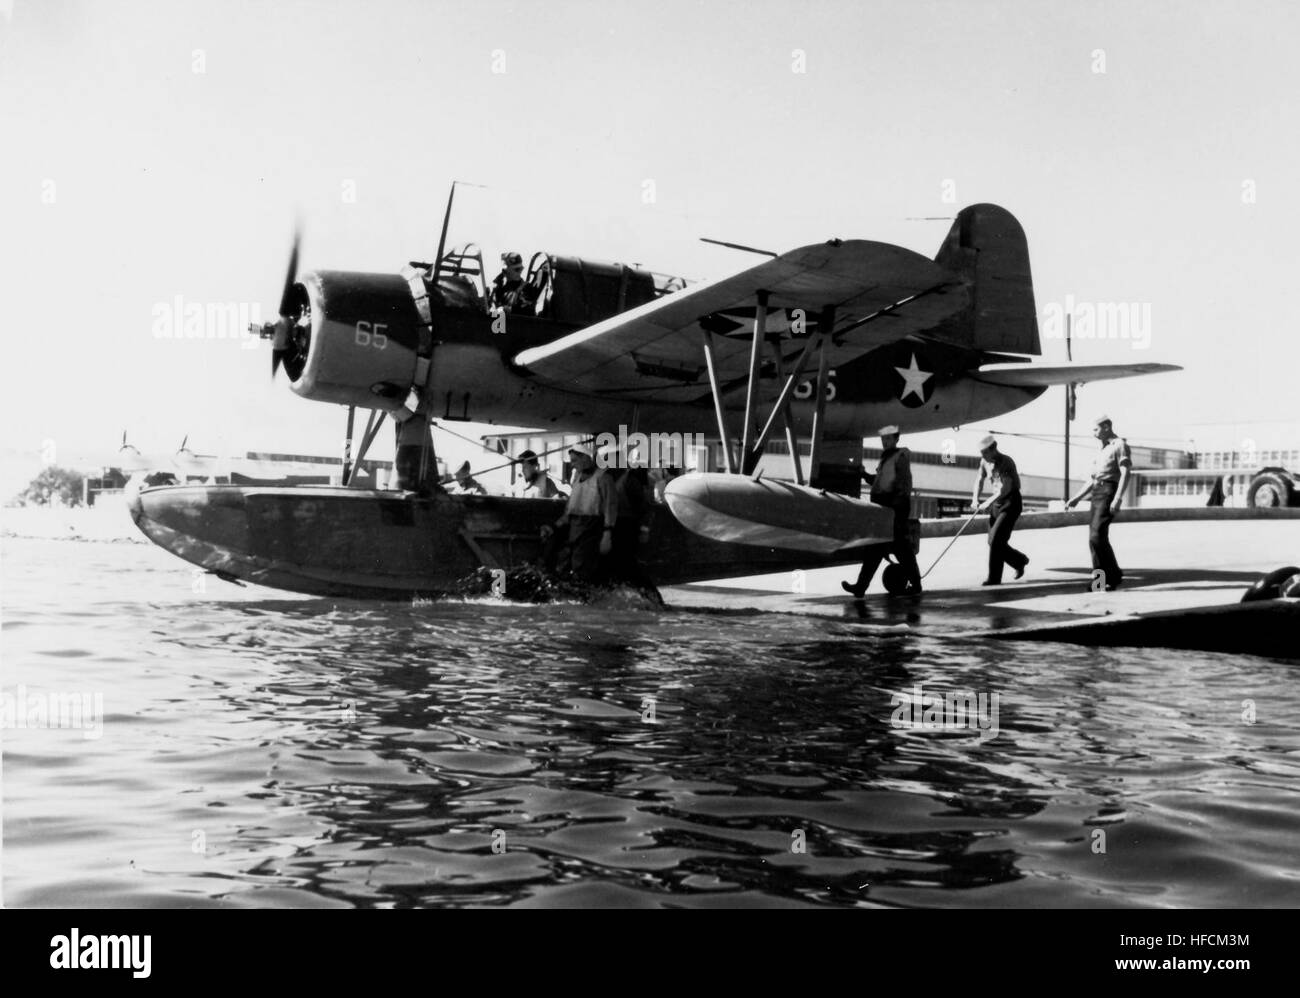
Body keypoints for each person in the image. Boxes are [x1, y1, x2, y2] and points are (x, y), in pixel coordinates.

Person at [842, 425, 922, 597]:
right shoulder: (886, 458)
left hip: (893, 512)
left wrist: (896, 513)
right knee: (876, 550)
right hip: (884, 512)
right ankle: (861, 587)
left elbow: (903, 485)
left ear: (896, 439)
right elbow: (880, 484)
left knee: (901, 551)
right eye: (883, 440)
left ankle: (916, 585)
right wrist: (864, 475)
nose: (885, 442)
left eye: (888, 439)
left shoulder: (900, 457)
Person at [1066, 414, 1131, 591]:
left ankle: (1111, 576)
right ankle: (1105, 579)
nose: (1093, 433)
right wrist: (1076, 498)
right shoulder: (1101, 450)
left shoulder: (1119, 445)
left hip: (1109, 491)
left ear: (1107, 427)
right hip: (1096, 493)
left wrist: (1118, 498)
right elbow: (1092, 479)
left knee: (1097, 537)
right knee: (1094, 539)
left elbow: (1126, 473)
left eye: (1096, 429)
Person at [542, 446, 616, 582]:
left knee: (583, 567)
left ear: (585, 458)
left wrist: (607, 534)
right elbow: (570, 510)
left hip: (592, 528)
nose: (572, 464)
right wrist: (554, 526)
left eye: (575, 460)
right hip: (574, 528)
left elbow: (610, 508)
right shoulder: (577, 480)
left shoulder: (603, 479)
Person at [970, 434, 1029, 585]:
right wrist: (975, 499)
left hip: (1010, 503)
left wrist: (987, 502)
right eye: (981, 453)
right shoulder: (984, 461)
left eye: (985, 453)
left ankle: (1002, 572)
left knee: (996, 539)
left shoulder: (1006, 462)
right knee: (993, 541)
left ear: (994, 448)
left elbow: (1005, 488)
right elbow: (979, 479)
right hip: (997, 504)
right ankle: (1014, 564)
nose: (983, 456)